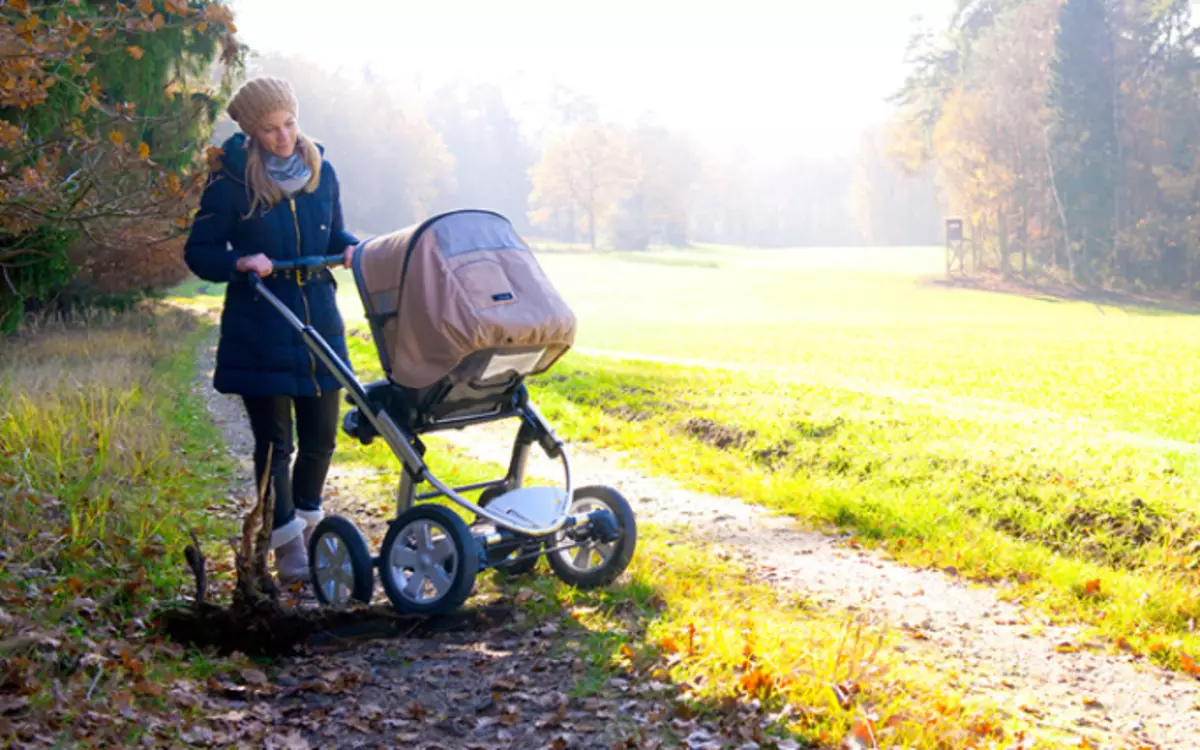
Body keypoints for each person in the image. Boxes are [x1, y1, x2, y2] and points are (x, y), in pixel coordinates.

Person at [183, 76, 357, 585]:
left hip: (318, 316)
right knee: (276, 443)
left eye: (289, 123)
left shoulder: (321, 171)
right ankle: (284, 540)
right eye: (270, 129)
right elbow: (200, 252)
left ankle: (307, 518)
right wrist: (239, 260)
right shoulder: (230, 182)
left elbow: (337, 228)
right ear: (252, 131)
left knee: (322, 437)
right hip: (262, 320)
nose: (283, 137)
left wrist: (350, 247)